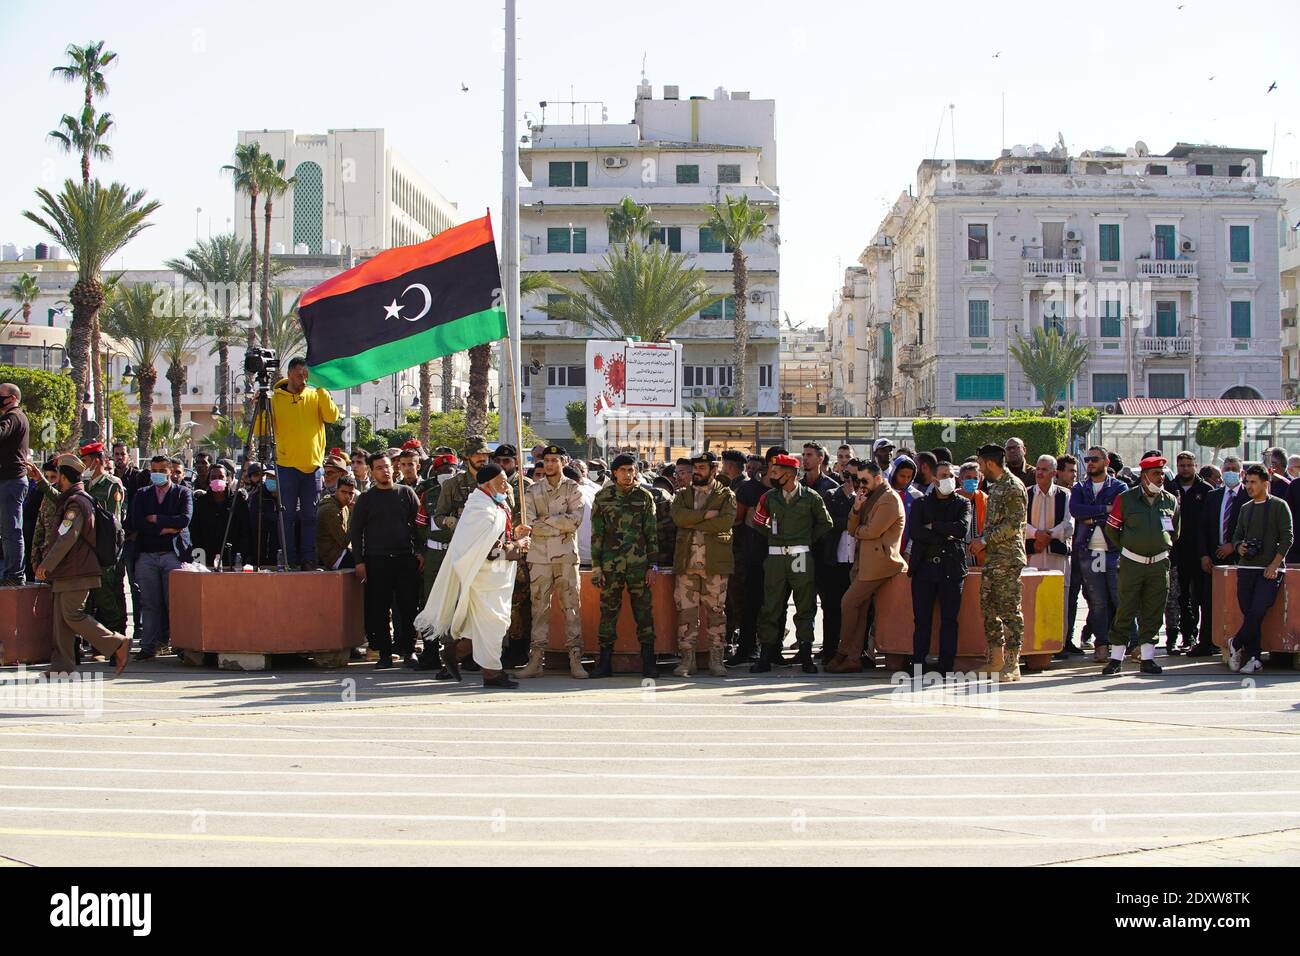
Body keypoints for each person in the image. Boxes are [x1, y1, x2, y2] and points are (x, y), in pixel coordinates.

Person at [416, 463, 532, 689]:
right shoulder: (479, 510)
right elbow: (489, 551)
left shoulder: (494, 504)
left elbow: (498, 537)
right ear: (487, 484)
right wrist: (517, 545)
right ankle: (492, 673)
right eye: (501, 482)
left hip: (497, 577)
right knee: (493, 623)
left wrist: (515, 534)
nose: (506, 486)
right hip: (483, 577)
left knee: (483, 624)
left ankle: (454, 652)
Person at [34, 453, 130, 676]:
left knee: (73, 615)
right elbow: (57, 498)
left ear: (64, 477)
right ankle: (62, 666)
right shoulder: (74, 497)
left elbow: (67, 537)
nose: (55, 481)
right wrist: (39, 480)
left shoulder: (76, 503)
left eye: (57, 476)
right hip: (67, 570)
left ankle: (117, 643)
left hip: (77, 570)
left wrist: (45, 564)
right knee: (62, 620)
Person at [752, 452, 832, 674]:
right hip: (776, 557)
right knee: (771, 605)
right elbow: (757, 521)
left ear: (789, 474)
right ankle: (766, 655)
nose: (772, 475)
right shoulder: (769, 497)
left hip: (800, 557)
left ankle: (805, 655)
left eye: (776, 471)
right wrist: (772, 535)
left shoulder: (811, 497)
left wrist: (806, 539)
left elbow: (826, 523)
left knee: (805, 605)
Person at [1102, 453, 1179, 676]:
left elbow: (1175, 531)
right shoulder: (1125, 499)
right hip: (1131, 564)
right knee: (1125, 609)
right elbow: (1112, 530)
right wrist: (1129, 546)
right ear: (1144, 476)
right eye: (1156, 474)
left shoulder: (1170, 500)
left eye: (1162, 474)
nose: (1161, 478)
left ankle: (1147, 659)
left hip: (1158, 564)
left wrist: (1160, 546)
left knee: (1153, 610)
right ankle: (1116, 659)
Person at [827, 459, 905, 673]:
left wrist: (858, 529)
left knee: (848, 603)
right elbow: (854, 526)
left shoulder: (889, 499)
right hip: (865, 563)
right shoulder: (868, 497)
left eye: (864, 480)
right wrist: (857, 508)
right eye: (856, 480)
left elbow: (870, 531)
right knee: (858, 610)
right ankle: (853, 658)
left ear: (878, 478)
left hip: (881, 564)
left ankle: (843, 651)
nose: (859, 484)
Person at [520, 444, 587, 679]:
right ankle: (536, 659)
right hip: (539, 558)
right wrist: (557, 525)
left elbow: (575, 521)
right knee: (539, 608)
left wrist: (546, 520)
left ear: (563, 462)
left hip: (566, 558)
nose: (550, 464)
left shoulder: (573, 489)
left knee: (571, 607)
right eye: (547, 460)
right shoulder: (532, 491)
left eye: (554, 460)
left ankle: (575, 658)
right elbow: (529, 524)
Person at [351, 452, 422, 669]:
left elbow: (419, 525)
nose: (385, 471)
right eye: (380, 468)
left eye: (388, 466)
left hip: (405, 559)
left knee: (408, 607)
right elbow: (356, 531)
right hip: (376, 560)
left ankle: (409, 651)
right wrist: (359, 562)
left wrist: (419, 552)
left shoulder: (407, 493)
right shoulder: (366, 499)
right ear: (372, 472)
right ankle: (384, 654)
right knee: (379, 609)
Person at [590, 454, 658, 678]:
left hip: (639, 565)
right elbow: (597, 535)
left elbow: (651, 533)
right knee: (608, 612)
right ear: (614, 472)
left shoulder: (644, 497)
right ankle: (604, 662)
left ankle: (649, 662)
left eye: (631, 470)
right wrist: (597, 567)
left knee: (644, 613)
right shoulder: (603, 498)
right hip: (611, 565)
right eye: (623, 470)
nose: (628, 475)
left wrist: (653, 565)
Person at [266, 356, 339, 568]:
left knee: (309, 516)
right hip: (285, 465)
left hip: (313, 466)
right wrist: (261, 408)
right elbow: (263, 429)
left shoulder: (315, 394)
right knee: (286, 516)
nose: (303, 380)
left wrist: (322, 389)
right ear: (289, 374)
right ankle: (289, 559)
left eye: (307, 376)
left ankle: (308, 559)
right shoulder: (274, 399)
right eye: (299, 375)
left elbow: (332, 416)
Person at [670, 452, 736, 677]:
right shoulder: (682, 495)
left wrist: (693, 521)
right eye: (695, 467)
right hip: (687, 564)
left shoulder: (726, 495)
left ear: (713, 471)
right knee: (686, 613)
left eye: (701, 468)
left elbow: (725, 522)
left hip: (714, 565)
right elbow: (678, 518)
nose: (696, 472)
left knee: (716, 612)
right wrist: (706, 515)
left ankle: (717, 659)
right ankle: (687, 660)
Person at [1227, 464, 1293, 674]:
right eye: (1247, 481)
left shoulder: (1280, 506)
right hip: (1246, 568)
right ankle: (1254, 657)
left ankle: (1235, 643)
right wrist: (1240, 546)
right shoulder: (1245, 508)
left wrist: (1274, 564)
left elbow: (1287, 537)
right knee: (1250, 614)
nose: (1249, 486)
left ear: (1266, 483)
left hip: (1269, 570)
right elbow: (1236, 535)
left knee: (1257, 610)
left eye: (1253, 482)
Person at [907, 461, 970, 675]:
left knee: (950, 620)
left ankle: (946, 666)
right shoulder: (921, 503)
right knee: (921, 620)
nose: (949, 479)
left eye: (951, 475)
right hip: (924, 568)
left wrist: (934, 526)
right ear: (934, 479)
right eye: (944, 475)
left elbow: (961, 529)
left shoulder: (962, 503)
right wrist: (945, 533)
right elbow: (916, 532)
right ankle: (918, 664)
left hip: (952, 569)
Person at [971, 443, 1027, 682]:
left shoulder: (1013, 487)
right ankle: (996, 660)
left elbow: (1014, 525)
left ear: (990, 463)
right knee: (989, 609)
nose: (980, 469)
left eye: (981, 464)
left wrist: (984, 540)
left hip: (1008, 558)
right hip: (993, 559)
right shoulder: (994, 487)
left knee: (1009, 611)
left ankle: (1013, 664)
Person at [128, 455, 193, 660]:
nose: (157, 474)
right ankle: (148, 646)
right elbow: (136, 521)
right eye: (154, 470)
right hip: (147, 555)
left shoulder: (183, 493)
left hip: (173, 555)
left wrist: (156, 518)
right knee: (149, 603)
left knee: (174, 602)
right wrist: (164, 528)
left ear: (170, 471)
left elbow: (184, 519)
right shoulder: (142, 494)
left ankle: (180, 645)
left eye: (162, 470)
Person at [1070, 445, 1131, 663]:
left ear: (1106, 462)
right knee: (1097, 602)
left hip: (1113, 549)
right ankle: (1102, 643)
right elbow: (1076, 510)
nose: (1090, 463)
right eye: (1087, 459)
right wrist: (1104, 510)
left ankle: (1129, 643)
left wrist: (1094, 517)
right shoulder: (1080, 487)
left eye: (1095, 459)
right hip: (1088, 551)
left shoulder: (1119, 486)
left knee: (1119, 598)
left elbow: (1119, 513)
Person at [1193, 456, 1246, 658]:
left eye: (1234, 468)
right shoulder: (1214, 496)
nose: (1230, 472)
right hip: (1214, 558)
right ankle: (1206, 642)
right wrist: (1204, 555)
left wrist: (1233, 546)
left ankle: (1237, 643)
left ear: (1240, 472)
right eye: (1227, 469)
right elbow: (1203, 527)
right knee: (1209, 601)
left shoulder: (1247, 496)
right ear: (1222, 472)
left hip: (1238, 558)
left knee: (1238, 602)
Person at [78, 441, 128, 636]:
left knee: (110, 596)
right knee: (90, 599)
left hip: (107, 550)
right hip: (88, 549)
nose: (83, 465)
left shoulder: (112, 485)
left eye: (86, 460)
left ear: (97, 460)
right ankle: (98, 642)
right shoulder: (84, 485)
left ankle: (119, 639)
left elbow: (111, 522)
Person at [1024, 454, 1073, 642]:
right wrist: (1035, 534)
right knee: (1031, 598)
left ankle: (1057, 643)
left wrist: (1047, 536)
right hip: (1032, 555)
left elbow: (1069, 525)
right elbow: (1020, 523)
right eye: (1038, 468)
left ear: (1054, 473)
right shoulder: (1027, 493)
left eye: (1044, 469)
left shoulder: (1065, 495)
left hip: (1057, 558)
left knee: (1058, 600)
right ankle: (1031, 642)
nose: (1039, 473)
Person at [1168, 451, 1212, 655]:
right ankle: (1186, 636)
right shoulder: (1169, 488)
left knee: (1202, 597)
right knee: (1180, 597)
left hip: (1200, 552)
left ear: (1195, 465)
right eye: (1182, 465)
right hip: (1176, 552)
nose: (1185, 468)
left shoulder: (1206, 490)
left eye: (1189, 465)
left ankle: (1205, 638)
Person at [817, 456, 860, 662]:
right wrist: (853, 522)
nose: (851, 479)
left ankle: (853, 652)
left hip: (857, 563)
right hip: (833, 561)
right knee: (831, 608)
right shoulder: (831, 494)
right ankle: (829, 650)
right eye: (847, 474)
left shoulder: (868, 497)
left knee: (857, 611)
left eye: (856, 475)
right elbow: (828, 522)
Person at [0, 383, 30, 584]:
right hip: (9, 481)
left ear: (12, 398)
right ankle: (11, 572)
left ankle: (15, 574)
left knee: (12, 529)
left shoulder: (13, 417)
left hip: (12, 481)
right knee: (7, 530)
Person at [190, 463, 241, 567]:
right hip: (206, 555)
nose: (217, 479)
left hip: (232, 555)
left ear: (227, 479)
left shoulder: (237, 501)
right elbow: (195, 530)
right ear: (209, 480)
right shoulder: (200, 502)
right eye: (213, 477)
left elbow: (244, 530)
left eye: (221, 477)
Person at [317, 473, 357, 570]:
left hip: (343, 552)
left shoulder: (344, 507)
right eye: (343, 492)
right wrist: (355, 515)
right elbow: (344, 541)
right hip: (333, 558)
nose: (348, 496)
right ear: (337, 490)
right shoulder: (330, 510)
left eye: (351, 493)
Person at [957, 461, 987, 567]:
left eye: (975, 478)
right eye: (968, 477)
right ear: (960, 480)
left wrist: (983, 541)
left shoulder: (986, 501)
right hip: (955, 560)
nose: (972, 481)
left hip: (979, 560)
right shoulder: (950, 500)